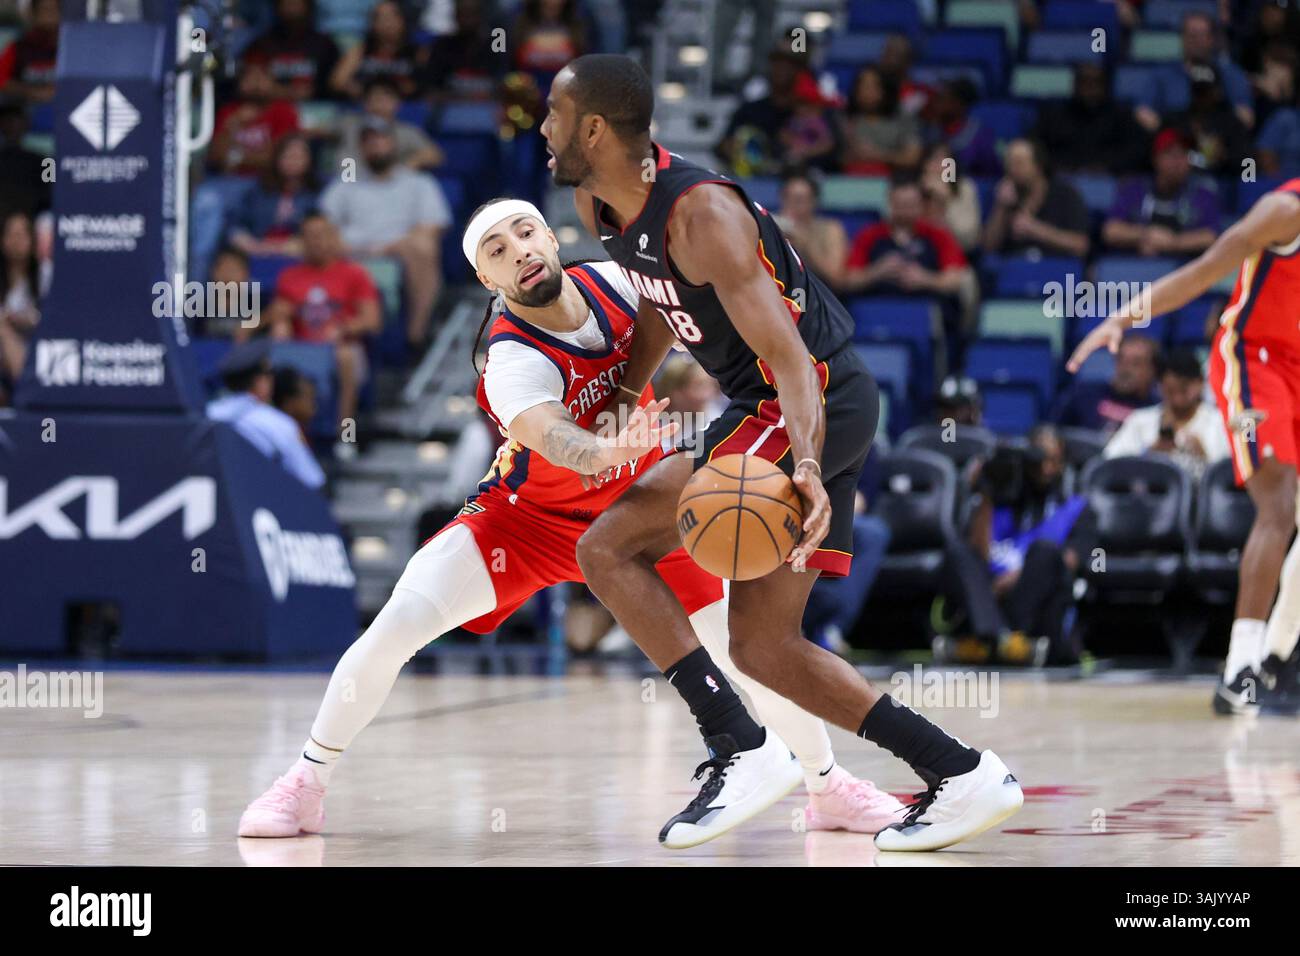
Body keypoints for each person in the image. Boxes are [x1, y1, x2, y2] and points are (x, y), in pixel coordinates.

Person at [238, 199, 905, 841]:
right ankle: (304, 782)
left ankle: (828, 787)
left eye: (526, 233)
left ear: (551, 238)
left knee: (750, 641)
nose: (519, 251)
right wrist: (605, 447)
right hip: (523, 522)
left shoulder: (617, 281)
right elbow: (557, 440)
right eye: (498, 250)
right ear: (486, 279)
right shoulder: (510, 358)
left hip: (635, 514)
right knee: (396, 625)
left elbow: (687, 307)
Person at [545, 54, 1022, 851]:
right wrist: (628, 392)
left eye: (554, 114)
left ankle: (740, 746)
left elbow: (794, 361)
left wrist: (805, 463)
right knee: (763, 645)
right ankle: (961, 773)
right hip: (776, 402)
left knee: (609, 546)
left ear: (594, 128)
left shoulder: (703, 216)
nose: (541, 127)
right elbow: (665, 299)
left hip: (808, 393)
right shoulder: (599, 203)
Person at [1069, 176, 1300, 717]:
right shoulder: (1283, 210)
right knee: (1280, 502)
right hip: (1252, 360)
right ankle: (1240, 666)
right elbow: (1203, 273)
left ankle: (1275, 659)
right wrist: (1125, 317)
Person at [941, 425, 1094, 667]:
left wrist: (1015, 578)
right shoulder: (999, 506)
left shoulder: (1076, 508)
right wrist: (985, 491)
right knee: (958, 552)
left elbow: (1070, 560)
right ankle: (999, 638)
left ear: (1063, 464)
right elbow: (980, 554)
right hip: (990, 600)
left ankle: (996, 641)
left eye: (1053, 460)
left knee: (1046, 551)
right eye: (1038, 459)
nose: (1045, 468)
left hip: (1032, 603)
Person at [319, 117, 451, 349]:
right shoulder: (347, 182)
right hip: (350, 250)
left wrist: (391, 246)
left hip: (399, 249)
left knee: (424, 246)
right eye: (369, 142)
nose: (376, 146)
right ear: (361, 149)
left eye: (381, 140)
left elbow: (433, 225)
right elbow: (321, 222)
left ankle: (416, 335)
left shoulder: (418, 182)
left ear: (393, 143)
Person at [265, 213, 381, 455]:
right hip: (301, 347)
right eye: (309, 236)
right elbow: (276, 314)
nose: (316, 241)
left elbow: (372, 321)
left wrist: (343, 328)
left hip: (338, 349)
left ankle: (344, 435)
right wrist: (277, 316)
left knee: (346, 355)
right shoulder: (289, 276)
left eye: (322, 235)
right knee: (277, 334)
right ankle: (278, 434)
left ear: (334, 238)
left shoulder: (354, 274)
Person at [205, 339, 326, 490]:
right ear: (259, 381)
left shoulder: (205, 413)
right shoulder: (278, 423)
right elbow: (312, 480)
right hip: (263, 506)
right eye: (269, 374)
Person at [1102, 348, 1229, 480]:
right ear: (1161, 386)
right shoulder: (1140, 420)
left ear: (1200, 384)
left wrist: (1205, 457)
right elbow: (1109, 463)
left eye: (1183, 389)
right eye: (1171, 390)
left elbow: (1231, 475)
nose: (1178, 398)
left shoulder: (1219, 422)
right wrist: (1148, 455)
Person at [1102, 129, 1222, 259]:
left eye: (1183, 154)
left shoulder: (1202, 193)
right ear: (1155, 158)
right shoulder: (1134, 189)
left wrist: (1173, 242)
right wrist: (1146, 234)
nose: (1178, 162)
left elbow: (1211, 236)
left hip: (1185, 269)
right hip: (1136, 272)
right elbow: (1110, 231)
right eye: (1170, 154)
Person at [981, 138, 1090, 259]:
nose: (1012, 169)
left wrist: (1035, 229)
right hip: (1014, 267)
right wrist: (1001, 207)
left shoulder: (1066, 194)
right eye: (1009, 163)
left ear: (1038, 166)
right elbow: (988, 247)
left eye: (1019, 163)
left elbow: (1080, 245)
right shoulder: (1001, 194)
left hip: (1055, 267)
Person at [1033, 63, 1148, 176]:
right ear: (1075, 85)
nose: (1090, 88)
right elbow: (1035, 147)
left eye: (1096, 82)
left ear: (1105, 86)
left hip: (1109, 181)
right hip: (1060, 179)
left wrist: (1108, 167)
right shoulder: (1054, 116)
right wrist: (1056, 168)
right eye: (1084, 82)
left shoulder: (1121, 116)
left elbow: (1136, 150)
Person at [225, 133, 319, 259]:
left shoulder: (317, 192)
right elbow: (235, 226)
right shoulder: (256, 191)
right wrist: (250, 244)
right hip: (256, 250)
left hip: (298, 254)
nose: (293, 162)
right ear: (277, 159)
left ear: (309, 160)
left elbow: (320, 228)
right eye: (289, 156)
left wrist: (298, 244)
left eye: (299, 157)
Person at [1052, 332, 1158, 433]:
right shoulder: (1084, 394)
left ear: (1153, 370)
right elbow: (1050, 429)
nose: (1125, 369)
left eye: (1136, 363)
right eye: (1121, 360)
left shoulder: (1157, 412)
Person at [335, 79, 444, 178]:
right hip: (351, 185)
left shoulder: (407, 131)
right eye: (377, 99)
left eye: (387, 99)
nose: (382, 104)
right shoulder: (348, 123)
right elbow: (320, 126)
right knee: (346, 158)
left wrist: (408, 165)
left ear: (397, 104)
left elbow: (435, 155)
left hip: (390, 189)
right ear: (365, 103)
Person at [243, 0, 341, 102]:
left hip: (318, 110)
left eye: (296, 2)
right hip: (271, 108)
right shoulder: (262, 45)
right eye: (286, 2)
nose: (291, 5)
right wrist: (286, 93)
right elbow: (248, 85)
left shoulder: (325, 46)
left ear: (308, 5)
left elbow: (333, 85)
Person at [329, 0, 423, 101]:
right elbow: (337, 82)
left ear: (403, 19)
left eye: (391, 17)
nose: (386, 23)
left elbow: (420, 86)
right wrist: (366, 93)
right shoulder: (361, 50)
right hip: (364, 109)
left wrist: (389, 96)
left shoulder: (417, 52)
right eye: (380, 18)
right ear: (372, 24)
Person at [839, 65, 922, 176]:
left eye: (872, 86)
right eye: (862, 86)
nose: (866, 92)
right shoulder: (843, 117)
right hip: (848, 181)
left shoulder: (903, 118)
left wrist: (876, 155)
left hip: (894, 182)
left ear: (885, 89)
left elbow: (913, 158)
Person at [773, 169, 848, 290]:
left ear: (813, 202)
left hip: (820, 296)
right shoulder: (771, 225)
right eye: (786, 198)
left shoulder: (830, 229)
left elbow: (836, 278)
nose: (791, 205)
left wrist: (806, 245)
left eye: (799, 200)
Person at [0, 210, 47, 391]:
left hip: (32, 349)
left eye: (21, 235)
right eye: (11, 234)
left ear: (31, 240)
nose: (16, 241)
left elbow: (51, 318)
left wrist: (27, 320)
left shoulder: (45, 275)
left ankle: (23, 388)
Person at [0, 0, 58, 105]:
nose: (51, 15)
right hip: (24, 110)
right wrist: (32, 92)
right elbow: (2, 80)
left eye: (56, 10)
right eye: (45, 10)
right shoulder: (20, 47)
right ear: (34, 14)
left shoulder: (72, 48)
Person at [272, 365, 319, 440]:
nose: (314, 405)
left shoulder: (302, 432)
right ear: (289, 403)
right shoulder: (284, 436)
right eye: (309, 397)